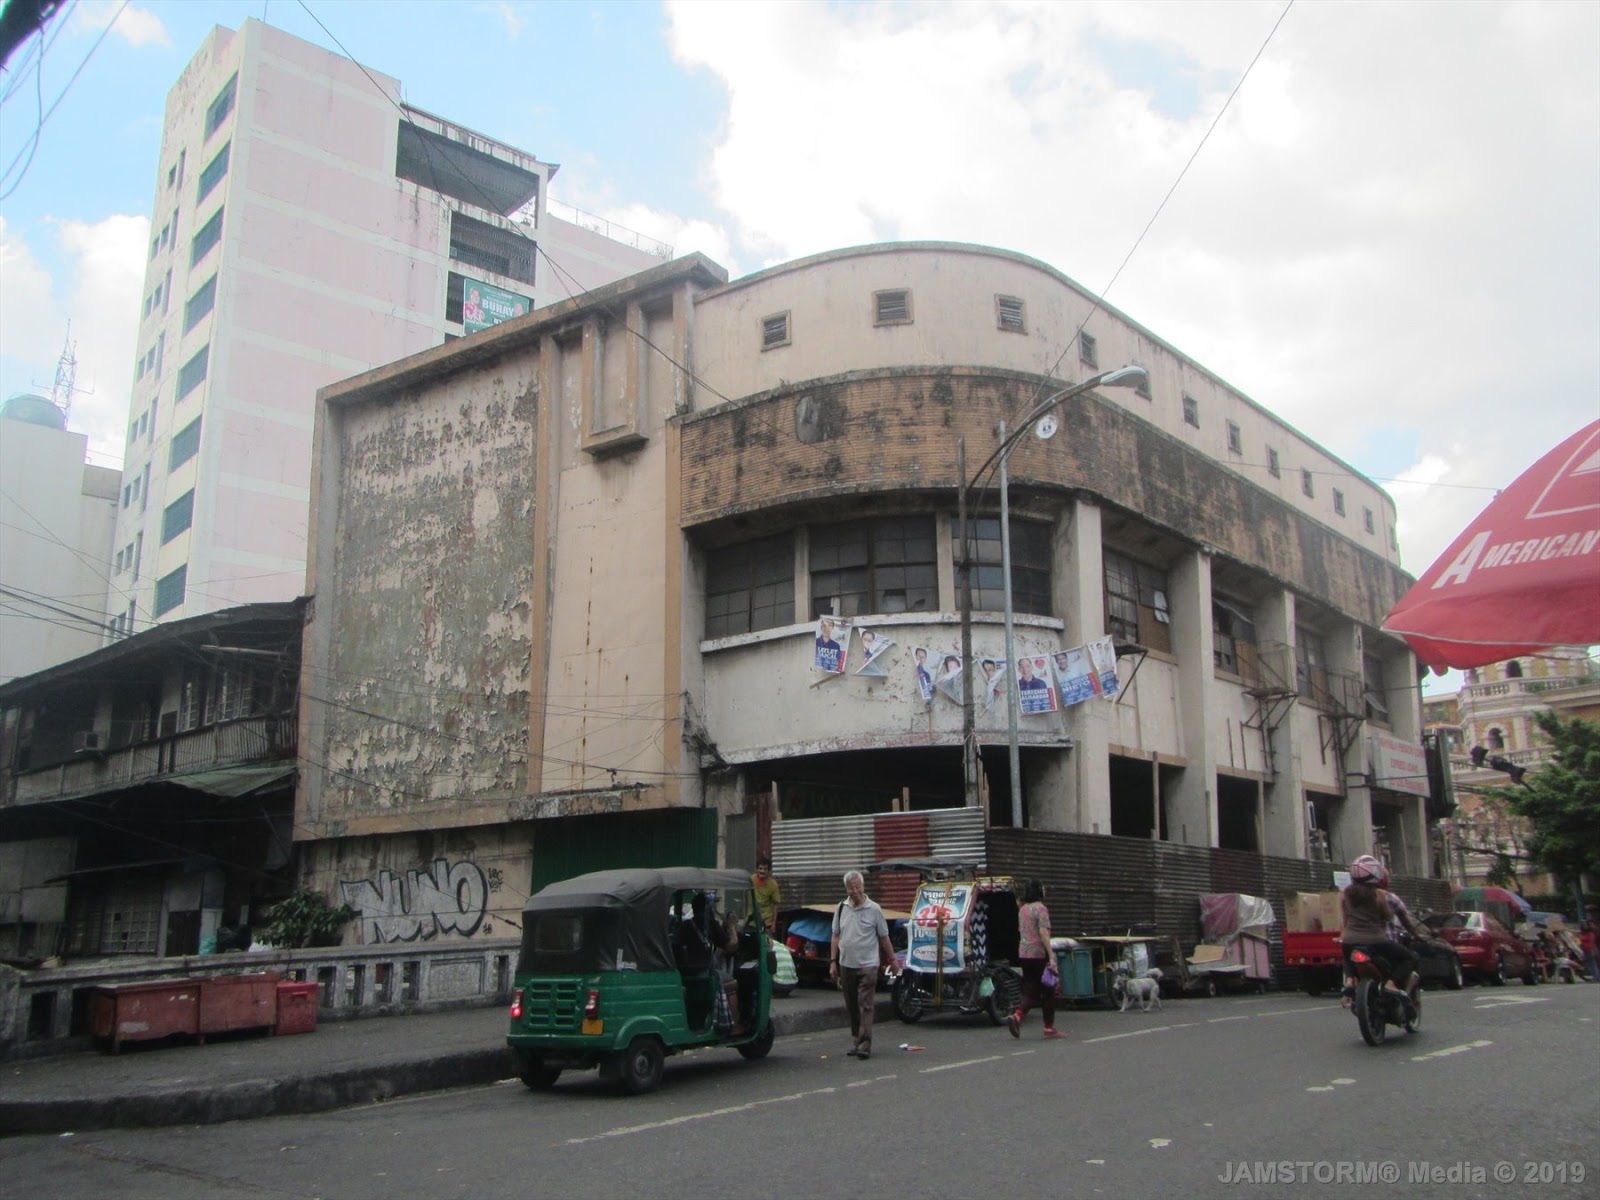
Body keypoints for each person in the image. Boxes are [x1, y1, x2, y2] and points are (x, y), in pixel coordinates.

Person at [1340, 855, 1425, 1015]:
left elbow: (1345, 921)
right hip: (1376, 942)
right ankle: (1391, 984)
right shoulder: (1380, 895)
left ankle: (1350, 981)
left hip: (1349, 941)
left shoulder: (1346, 895)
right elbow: (1387, 917)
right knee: (1410, 958)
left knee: (1346, 956)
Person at [829, 869, 896, 1060]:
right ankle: (856, 1040)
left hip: (868, 965)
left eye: (858, 887)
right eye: (851, 888)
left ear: (863, 887)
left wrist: (893, 961)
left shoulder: (874, 909)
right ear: (847, 890)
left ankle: (865, 1043)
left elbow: (884, 938)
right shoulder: (841, 908)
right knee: (851, 1004)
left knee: (865, 1004)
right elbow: (835, 936)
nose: (855, 891)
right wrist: (833, 962)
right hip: (846, 964)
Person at [1008, 879, 1063, 1039]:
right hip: (1039, 953)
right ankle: (1048, 1027)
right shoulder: (1041, 909)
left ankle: (1017, 1016)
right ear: (1039, 890)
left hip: (1024, 953)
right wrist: (1051, 954)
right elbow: (1044, 933)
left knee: (1031, 988)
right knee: (1048, 991)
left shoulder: (1023, 909)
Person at [751, 856, 781, 933]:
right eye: (760, 868)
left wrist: (774, 924)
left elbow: (776, 904)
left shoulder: (773, 884)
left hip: (766, 921)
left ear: (769, 871)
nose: (762, 871)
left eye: (765, 869)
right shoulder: (750, 881)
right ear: (757, 870)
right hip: (751, 921)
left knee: (767, 942)